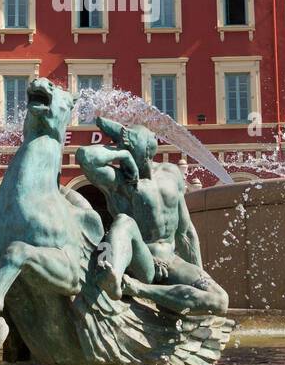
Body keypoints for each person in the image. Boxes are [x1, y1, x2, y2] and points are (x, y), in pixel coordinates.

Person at [75, 118, 228, 315]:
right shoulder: (120, 180)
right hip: (142, 261)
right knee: (124, 221)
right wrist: (121, 153)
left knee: (220, 299)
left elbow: (186, 231)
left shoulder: (172, 174)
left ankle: (137, 289)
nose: (122, 154)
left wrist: (198, 270)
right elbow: (85, 155)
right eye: (121, 149)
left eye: (127, 148)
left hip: (172, 262)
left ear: (145, 149)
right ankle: (114, 277)